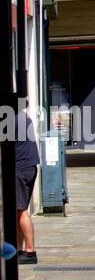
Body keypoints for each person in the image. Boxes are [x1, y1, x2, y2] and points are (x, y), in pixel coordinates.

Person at [14, 106, 39, 264]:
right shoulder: (23, 116)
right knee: (18, 211)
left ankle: (30, 251)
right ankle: (20, 250)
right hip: (28, 166)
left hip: (20, 168)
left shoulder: (11, 119)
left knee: (20, 210)